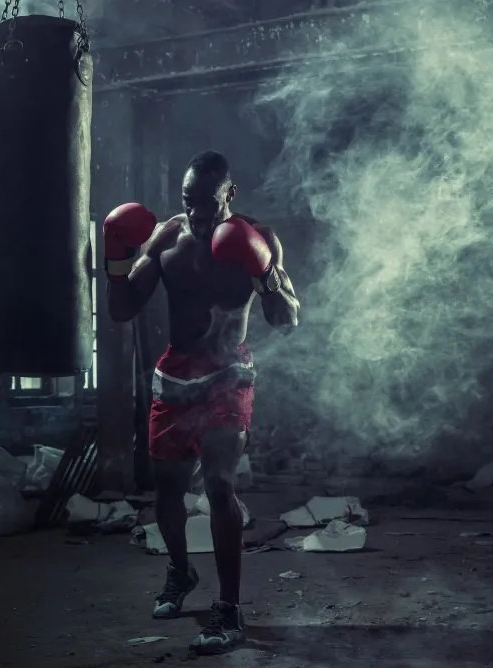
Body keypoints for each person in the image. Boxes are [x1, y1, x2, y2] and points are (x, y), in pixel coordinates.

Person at [103, 150, 300, 654]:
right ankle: (180, 571)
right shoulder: (168, 237)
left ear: (229, 195)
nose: (197, 213)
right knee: (166, 492)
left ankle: (229, 611)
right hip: (176, 371)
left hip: (228, 371)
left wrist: (266, 275)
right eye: (189, 201)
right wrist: (116, 254)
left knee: (218, 484)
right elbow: (123, 309)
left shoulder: (260, 237)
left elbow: (287, 319)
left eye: (207, 203)